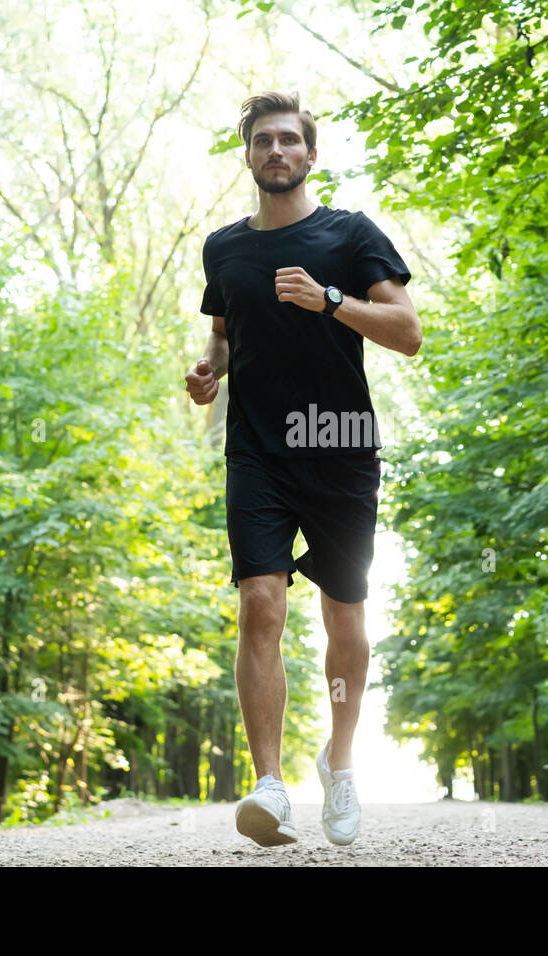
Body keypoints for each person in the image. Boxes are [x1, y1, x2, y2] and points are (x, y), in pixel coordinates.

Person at [185, 90, 420, 847]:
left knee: (342, 615)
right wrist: (209, 370)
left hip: (342, 446)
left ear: (310, 155)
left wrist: (330, 300)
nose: (277, 152)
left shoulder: (349, 235)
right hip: (256, 450)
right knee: (261, 601)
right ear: (249, 156)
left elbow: (408, 333)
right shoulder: (223, 248)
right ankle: (269, 786)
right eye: (263, 142)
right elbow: (223, 330)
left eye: (289, 140)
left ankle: (340, 765)